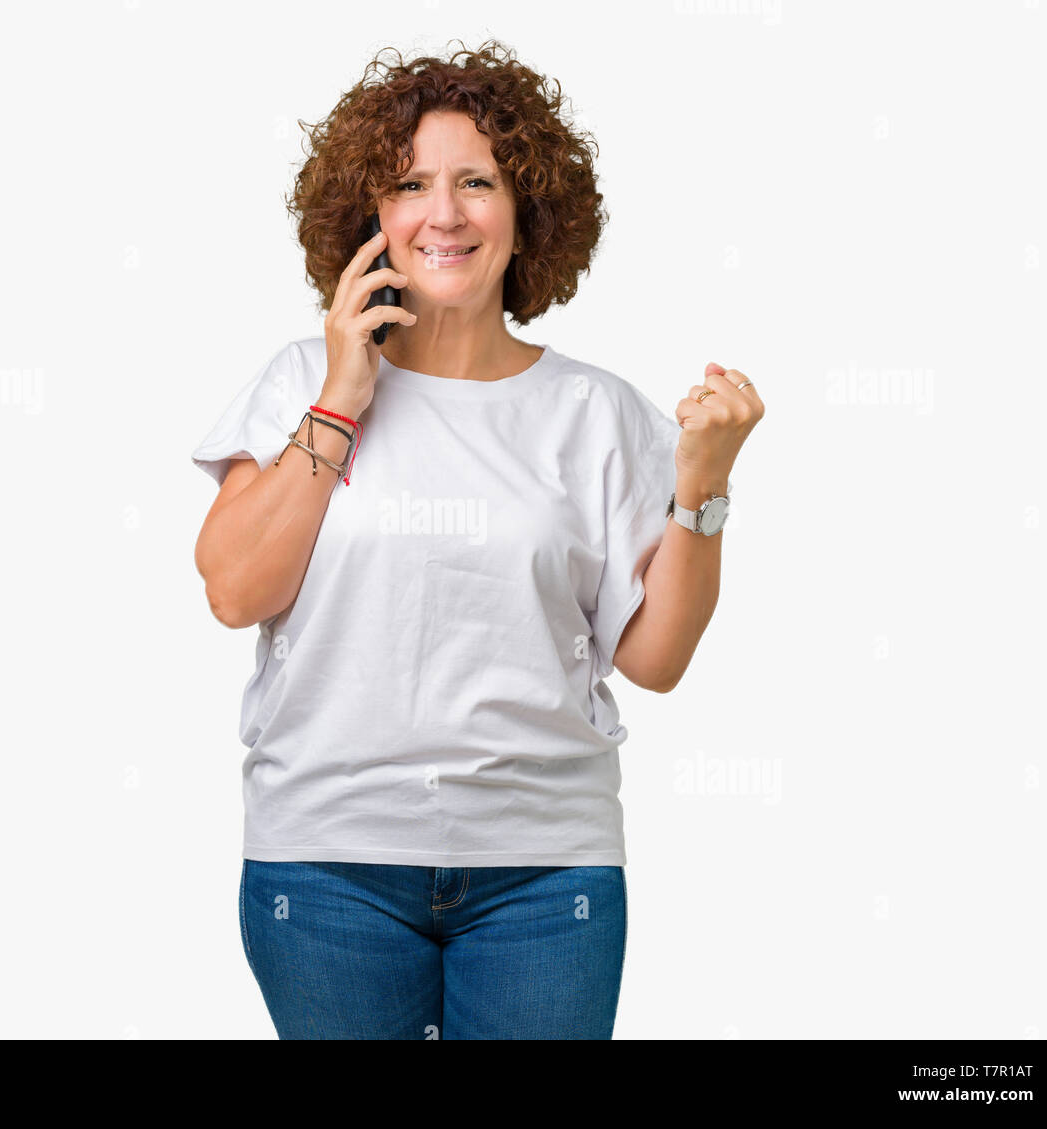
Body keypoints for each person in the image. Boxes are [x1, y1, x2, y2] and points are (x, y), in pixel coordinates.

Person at [191, 40, 764, 1039]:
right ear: (370, 215)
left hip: (545, 875)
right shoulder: (298, 381)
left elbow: (655, 658)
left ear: (525, 210)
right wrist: (341, 398)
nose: (442, 213)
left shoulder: (595, 412)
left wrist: (702, 485)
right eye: (409, 183)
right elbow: (235, 589)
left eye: (476, 182)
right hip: (326, 864)